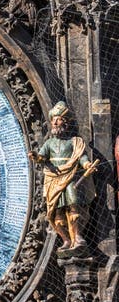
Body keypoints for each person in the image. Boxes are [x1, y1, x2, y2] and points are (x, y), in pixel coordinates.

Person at [29, 101, 97, 251]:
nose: (54, 122)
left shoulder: (73, 142)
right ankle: (65, 239)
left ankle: (77, 236)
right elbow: (41, 157)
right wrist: (35, 156)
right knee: (56, 211)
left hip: (69, 177)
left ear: (65, 122)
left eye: (58, 119)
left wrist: (87, 165)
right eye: (53, 120)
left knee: (73, 205)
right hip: (53, 178)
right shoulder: (49, 143)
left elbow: (81, 157)